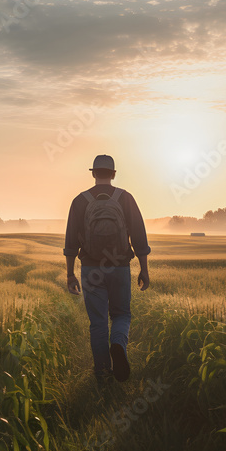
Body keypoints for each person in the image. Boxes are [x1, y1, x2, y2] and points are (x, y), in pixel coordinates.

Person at [64, 154, 150, 383]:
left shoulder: (79, 201)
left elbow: (71, 242)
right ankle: (118, 345)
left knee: (98, 322)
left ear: (93, 173)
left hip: (91, 269)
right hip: (120, 267)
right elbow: (139, 237)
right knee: (121, 314)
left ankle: (102, 372)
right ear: (113, 174)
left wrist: (70, 273)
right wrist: (144, 269)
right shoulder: (125, 198)